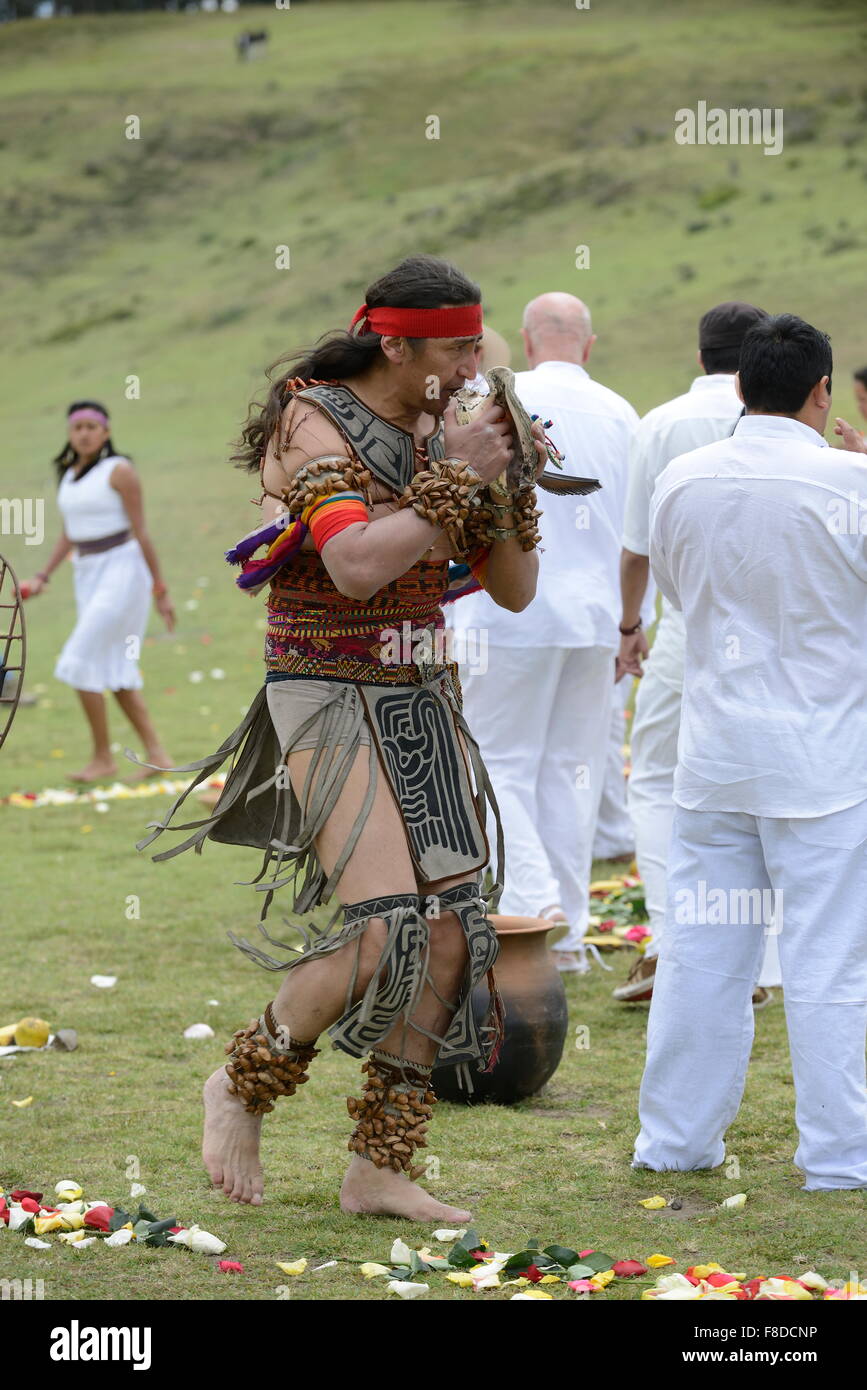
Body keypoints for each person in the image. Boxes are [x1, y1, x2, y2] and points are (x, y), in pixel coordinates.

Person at [136, 256, 548, 1221]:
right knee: (384, 928)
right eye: (452, 346)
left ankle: (378, 1166)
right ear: (395, 342)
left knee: (455, 930)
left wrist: (509, 492)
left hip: (420, 688)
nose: (470, 363)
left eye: (475, 346)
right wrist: (457, 476)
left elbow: (518, 590)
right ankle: (241, 1086)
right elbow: (357, 565)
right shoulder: (310, 415)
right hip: (323, 684)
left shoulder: (443, 424)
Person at [633, 313, 867, 1191]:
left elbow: (679, 593)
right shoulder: (851, 482)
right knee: (828, 961)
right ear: (819, 392)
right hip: (826, 760)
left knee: (701, 954)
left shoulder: (681, 479)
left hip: (717, 754)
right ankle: (840, 1156)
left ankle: (675, 1141)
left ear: (738, 389)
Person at [450, 293, 639, 972]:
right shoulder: (624, 414)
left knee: (498, 760)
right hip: (594, 615)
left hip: (508, 607)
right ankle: (566, 936)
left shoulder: (499, 398)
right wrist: (630, 622)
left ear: (527, 343)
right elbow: (635, 532)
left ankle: (537, 905)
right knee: (573, 772)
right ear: (587, 345)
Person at [614, 302, 772, 1002]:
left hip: (687, 626)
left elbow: (635, 548)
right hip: (773, 631)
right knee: (763, 785)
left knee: (653, 779)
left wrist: (628, 627)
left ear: (700, 352)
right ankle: (762, 958)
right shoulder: (786, 415)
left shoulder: (662, 424)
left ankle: (675, 943)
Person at [22, 401, 175, 784]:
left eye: (93, 426)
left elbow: (141, 531)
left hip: (123, 570)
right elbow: (70, 534)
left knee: (78, 660)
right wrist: (43, 575)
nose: (85, 433)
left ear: (105, 433)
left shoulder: (119, 471)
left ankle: (103, 757)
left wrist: (160, 590)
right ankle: (158, 754)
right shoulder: (70, 475)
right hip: (86, 573)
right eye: (78, 427)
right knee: (115, 670)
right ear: (70, 434)